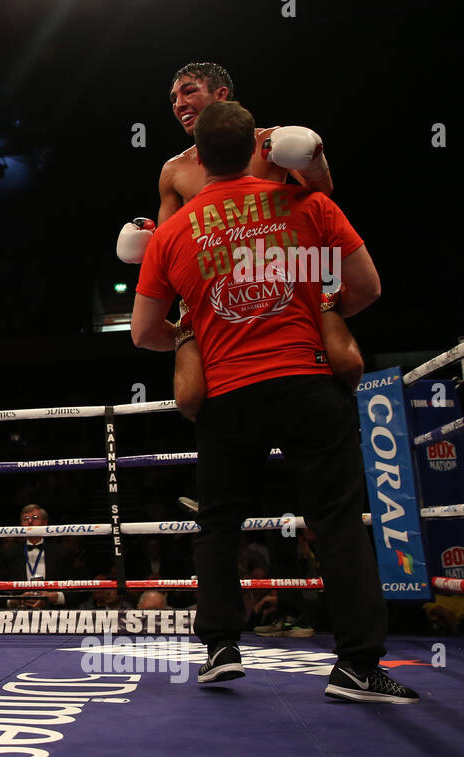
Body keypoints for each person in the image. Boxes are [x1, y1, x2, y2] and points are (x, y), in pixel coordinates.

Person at [130, 101, 417, 703]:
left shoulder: (174, 234)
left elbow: (142, 332)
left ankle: (219, 650)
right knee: (336, 520)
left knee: (218, 522)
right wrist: (323, 308)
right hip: (307, 381)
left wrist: (191, 333)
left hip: (229, 394)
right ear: (260, 150)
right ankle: (358, 667)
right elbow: (367, 288)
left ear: (199, 160)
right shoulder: (310, 206)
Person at [117, 62, 361, 420]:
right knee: (188, 398)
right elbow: (169, 245)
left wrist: (316, 159)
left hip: (281, 276)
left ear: (221, 94)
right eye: (173, 98)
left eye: (188, 91)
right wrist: (146, 245)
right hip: (217, 288)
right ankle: (191, 336)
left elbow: (320, 194)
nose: (178, 103)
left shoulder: (271, 143)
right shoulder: (174, 170)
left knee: (347, 362)